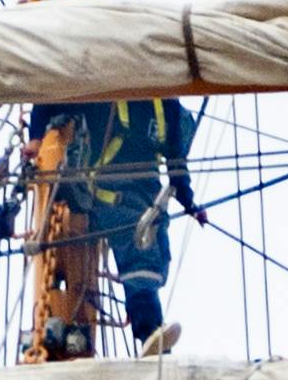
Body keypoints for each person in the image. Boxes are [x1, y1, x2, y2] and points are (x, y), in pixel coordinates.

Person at [48, 89, 198, 345]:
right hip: (110, 199)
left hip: (150, 200)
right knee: (140, 257)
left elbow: (176, 161)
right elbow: (50, 100)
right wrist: (36, 139)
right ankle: (148, 331)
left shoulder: (168, 105)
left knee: (158, 259)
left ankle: (148, 325)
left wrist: (189, 202)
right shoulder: (105, 95)